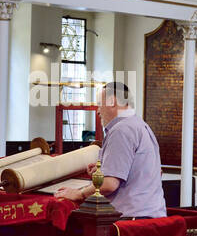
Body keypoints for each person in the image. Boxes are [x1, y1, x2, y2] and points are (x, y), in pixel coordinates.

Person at [55, 81, 165, 219]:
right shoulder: (140, 125)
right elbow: (141, 172)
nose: (98, 111)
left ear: (112, 101)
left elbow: (109, 184)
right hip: (150, 216)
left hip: (130, 220)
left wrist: (79, 193)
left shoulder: (121, 130)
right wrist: (103, 170)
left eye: (100, 105)